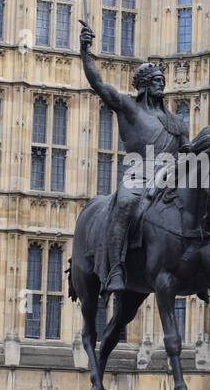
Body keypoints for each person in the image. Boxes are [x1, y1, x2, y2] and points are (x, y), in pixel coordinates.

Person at [79, 21, 188, 293]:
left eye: (162, 81)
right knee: (125, 202)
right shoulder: (130, 109)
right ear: (143, 86)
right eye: (154, 81)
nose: (160, 85)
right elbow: (100, 85)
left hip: (169, 180)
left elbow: (188, 152)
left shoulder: (176, 122)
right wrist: (85, 52)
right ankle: (115, 268)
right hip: (139, 175)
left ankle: (209, 271)